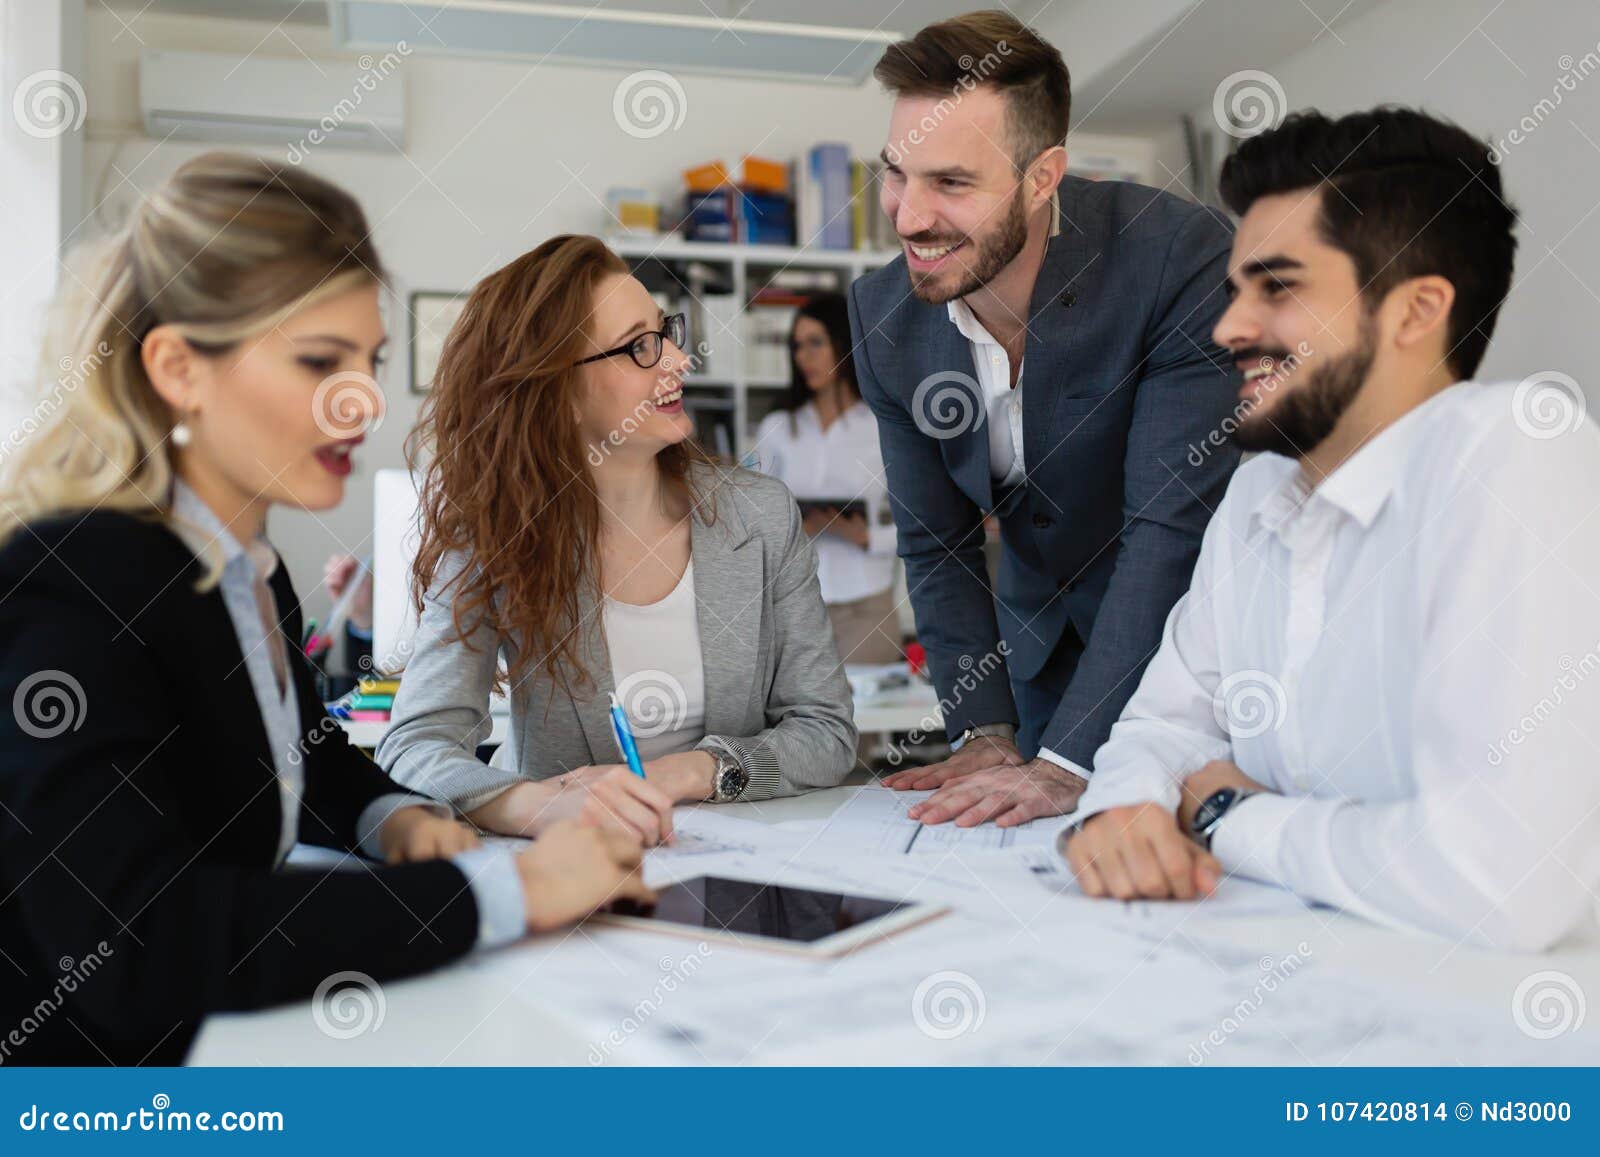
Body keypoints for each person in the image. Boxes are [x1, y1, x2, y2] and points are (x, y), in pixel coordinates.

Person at [0, 154, 652, 1065]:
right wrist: (506, 894)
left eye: (370, 361)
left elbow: (306, 756)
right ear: (180, 367)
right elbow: (132, 942)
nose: (364, 400)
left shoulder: (241, 570)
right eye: (319, 360)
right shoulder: (74, 581)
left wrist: (396, 816)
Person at [1064, 107, 1600, 952]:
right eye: (1236, 289)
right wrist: (1126, 810)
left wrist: (1225, 812)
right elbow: (1160, 729)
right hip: (1289, 1001)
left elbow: (1499, 879)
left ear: (1417, 310)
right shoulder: (1258, 494)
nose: (1229, 328)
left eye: (1277, 287)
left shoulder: (1514, 452)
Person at [853, 11, 1243, 828]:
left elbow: (1169, 526)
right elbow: (937, 541)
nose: (908, 217)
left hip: (1189, 665)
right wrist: (985, 729)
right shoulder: (883, 315)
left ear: (1042, 178)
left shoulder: (1175, 256)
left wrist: (1068, 762)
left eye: (951, 184)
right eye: (897, 172)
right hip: (1028, 667)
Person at [375, 235, 855, 843]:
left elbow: (825, 731)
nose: (679, 361)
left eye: (666, 332)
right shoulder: (494, 537)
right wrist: (536, 807)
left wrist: (687, 773)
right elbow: (415, 746)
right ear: (560, 393)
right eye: (639, 348)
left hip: (744, 869)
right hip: (579, 877)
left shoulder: (760, 516)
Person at [753, 292, 903, 666]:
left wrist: (866, 538)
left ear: (844, 342)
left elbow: (924, 524)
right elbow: (752, 519)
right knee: (802, 722)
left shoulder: (883, 427)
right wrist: (792, 527)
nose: (804, 357)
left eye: (816, 343)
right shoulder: (778, 428)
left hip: (867, 607)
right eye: (797, 346)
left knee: (866, 723)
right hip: (797, 609)